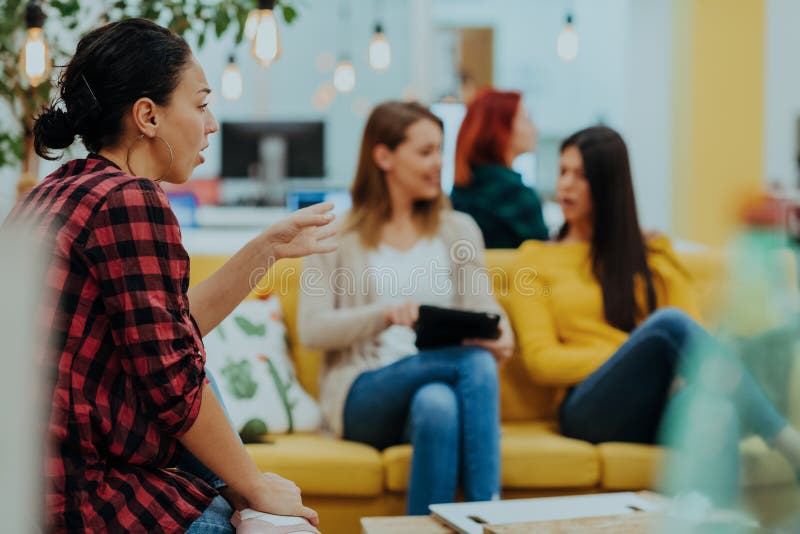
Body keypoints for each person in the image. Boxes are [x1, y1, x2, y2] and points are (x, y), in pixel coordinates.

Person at [2, 19, 333, 533]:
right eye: (200, 105)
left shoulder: (58, 191)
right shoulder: (129, 200)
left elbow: (163, 334)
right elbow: (175, 383)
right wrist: (255, 483)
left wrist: (264, 250)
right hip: (81, 493)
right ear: (148, 116)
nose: (212, 124)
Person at [507, 126, 800, 486]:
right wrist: (637, 350)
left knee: (713, 402)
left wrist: (660, 354)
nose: (566, 184)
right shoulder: (533, 261)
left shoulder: (651, 255)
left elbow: (696, 335)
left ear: (609, 185)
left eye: (581, 175)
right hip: (588, 409)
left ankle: (709, 518)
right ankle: (787, 442)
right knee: (667, 327)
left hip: (656, 406)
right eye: (563, 171)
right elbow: (542, 362)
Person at [298, 101, 514, 515]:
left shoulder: (459, 230)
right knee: (474, 364)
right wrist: (384, 315)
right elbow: (312, 329)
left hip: (437, 387)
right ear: (384, 157)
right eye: (425, 151)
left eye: (440, 151)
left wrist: (499, 333)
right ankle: (492, 516)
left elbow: (488, 311)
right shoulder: (334, 234)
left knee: (439, 406)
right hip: (363, 393)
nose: (438, 163)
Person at [450, 89, 549, 248]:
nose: (535, 129)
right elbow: (541, 261)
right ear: (501, 129)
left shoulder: (458, 195)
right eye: (526, 119)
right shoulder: (518, 196)